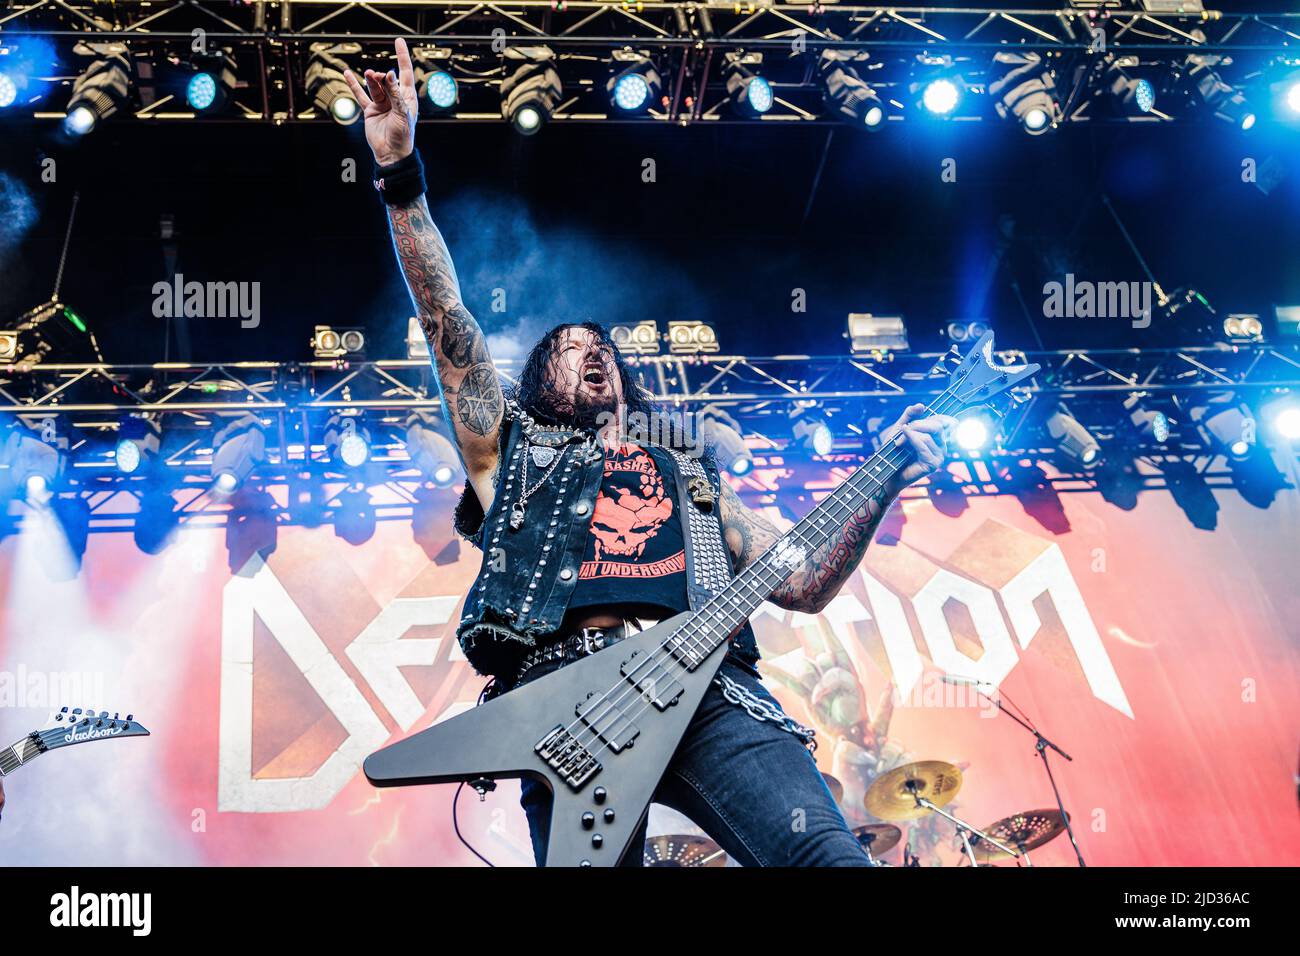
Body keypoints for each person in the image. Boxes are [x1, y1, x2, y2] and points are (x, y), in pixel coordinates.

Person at [345, 39, 956, 866]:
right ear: (537, 380)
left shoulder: (688, 471)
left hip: (715, 694)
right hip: (565, 702)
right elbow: (444, 312)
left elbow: (803, 581)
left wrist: (884, 475)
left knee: (831, 859)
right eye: (571, 346)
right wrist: (401, 173)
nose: (594, 351)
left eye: (605, 347)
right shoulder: (508, 447)